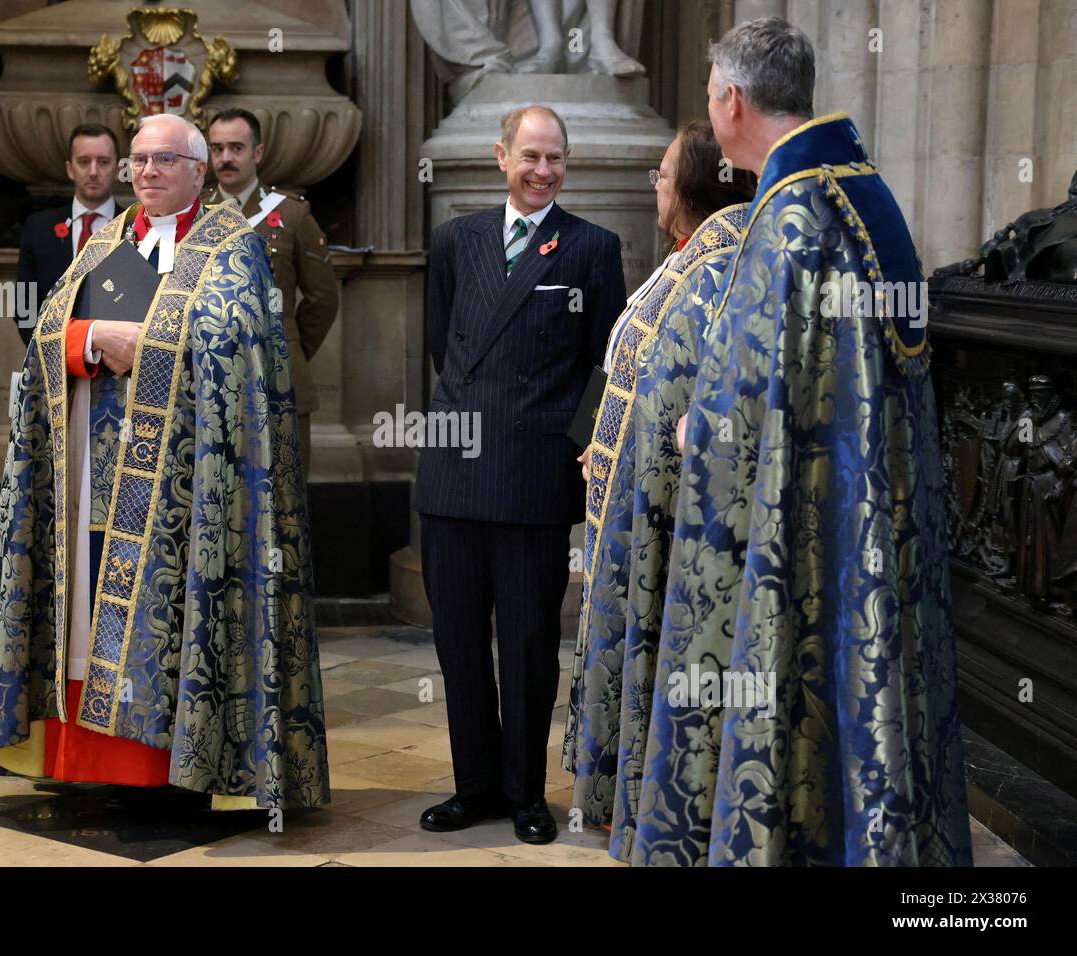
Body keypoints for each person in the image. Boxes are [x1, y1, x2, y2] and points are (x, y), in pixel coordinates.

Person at [637, 18, 972, 865]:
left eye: (712, 95)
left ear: (732, 101)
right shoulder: (861, 189)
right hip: (865, 510)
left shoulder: (790, 215)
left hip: (807, 524)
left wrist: (693, 425)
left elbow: (752, 398)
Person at [0, 113, 330, 811]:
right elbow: (47, 332)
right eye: (139, 160)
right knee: (92, 614)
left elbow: (237, 347)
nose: (148, 172)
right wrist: (95, 337)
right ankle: (89, 763)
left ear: (197, 169)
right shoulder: (103, 243)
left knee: (174, 618)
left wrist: (151, 345)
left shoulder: (232, 249)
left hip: (190, 484)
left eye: (165, 159)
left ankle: (178, 772)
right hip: (92, 472)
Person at [415, 104, 626, 844]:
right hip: (452, 471)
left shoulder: (592, 247)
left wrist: (567, 443)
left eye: (556, 159)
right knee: (460, 642)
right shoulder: (455, 240)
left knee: (532, 642)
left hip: (535, 474)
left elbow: (606, 364)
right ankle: (474, 787)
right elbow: (443, 343)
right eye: (530, 156)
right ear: (500, 155)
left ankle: (526, 793)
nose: (543, 171)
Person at [561, 120, 755, 861]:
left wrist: (630, 450)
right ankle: (624, 792)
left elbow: (685, 396)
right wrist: (601, 446)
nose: (656, 184)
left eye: (664, 172)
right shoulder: (686, 261)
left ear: (696, 184)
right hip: (625, 494)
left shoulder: (716, 269)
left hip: (669, 518)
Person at [204, 107, 340, 475]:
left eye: (236, 148)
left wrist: (289, 346)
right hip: (211, 378)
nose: (226, 158)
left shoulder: (292, 215)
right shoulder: (196, 213)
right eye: (217, 149)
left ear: (258, 153)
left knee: (285, 491)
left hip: (280, 378)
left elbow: (322, 299)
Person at [14, 123, 120, 346]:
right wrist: (49, 354)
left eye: (103, 162)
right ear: (70, 169)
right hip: (53, 360)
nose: (93, 172)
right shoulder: (39, 228)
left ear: (118, 169)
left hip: (119, 366)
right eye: (84, 162)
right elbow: (24, 304)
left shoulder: (136, 228)